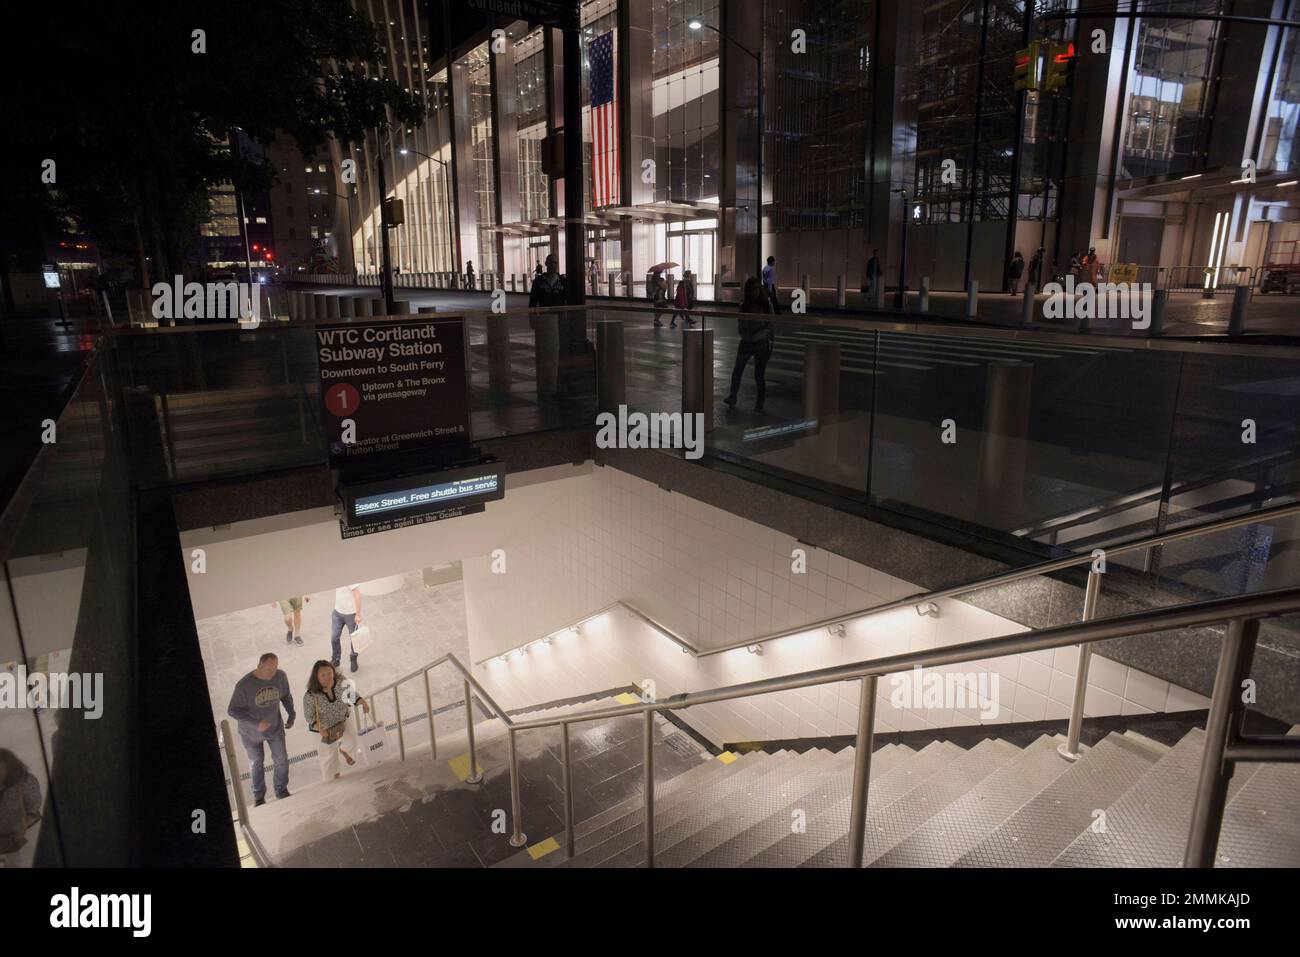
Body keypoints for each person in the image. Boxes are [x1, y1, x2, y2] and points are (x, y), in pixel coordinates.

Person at [227, 653, 295, 806]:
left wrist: (291, 713)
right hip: (251, 734)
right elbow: (233, 710)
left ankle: (281, 790)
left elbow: (286, 696)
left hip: (274, 728)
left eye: (275, 669)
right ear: (259, 666)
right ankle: (259, 797)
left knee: (281, 760)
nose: (272, 674)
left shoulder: (280, 676)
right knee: (256, 762)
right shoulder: (243, 685)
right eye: (268, 670)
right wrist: (255, 723)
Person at [304, 661, 368, 781]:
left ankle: (344, 750)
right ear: (316, 677)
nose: (327, 677)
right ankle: (332, 779)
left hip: (344, 718)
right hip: (324, 729)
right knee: (329, 756)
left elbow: (351, 694)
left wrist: (362, 702)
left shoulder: (340, 681)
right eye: (323, 675)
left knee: (353, 738)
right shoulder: (310, 695)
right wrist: (320, 728)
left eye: (329, 673)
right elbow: (309, 716)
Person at [724, 277, 775, 413]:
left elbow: (771, 325)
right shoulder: (744, 305)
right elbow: (740, 322)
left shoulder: (766, 305)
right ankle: (733, 396)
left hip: (761, 343)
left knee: (759, 375)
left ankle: (760, 404)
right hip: (746, 342)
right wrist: (745, 334)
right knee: (737, 371)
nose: (754, 292)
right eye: (752, 290)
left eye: (757, 289)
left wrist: (771, 342)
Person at [0, 749, 41, 855]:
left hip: (27, 835)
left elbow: (34, 807)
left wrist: (22, 828)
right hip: (4, 840)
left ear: (9, 765)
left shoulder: (25, 782)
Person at [331, 583, 362, 672]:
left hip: (351, 615)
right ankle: (336, 659)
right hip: (337, 613)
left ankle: (353, 658)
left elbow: (357, 594)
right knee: (334, 637)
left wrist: (358, 614)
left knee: (354, 639)